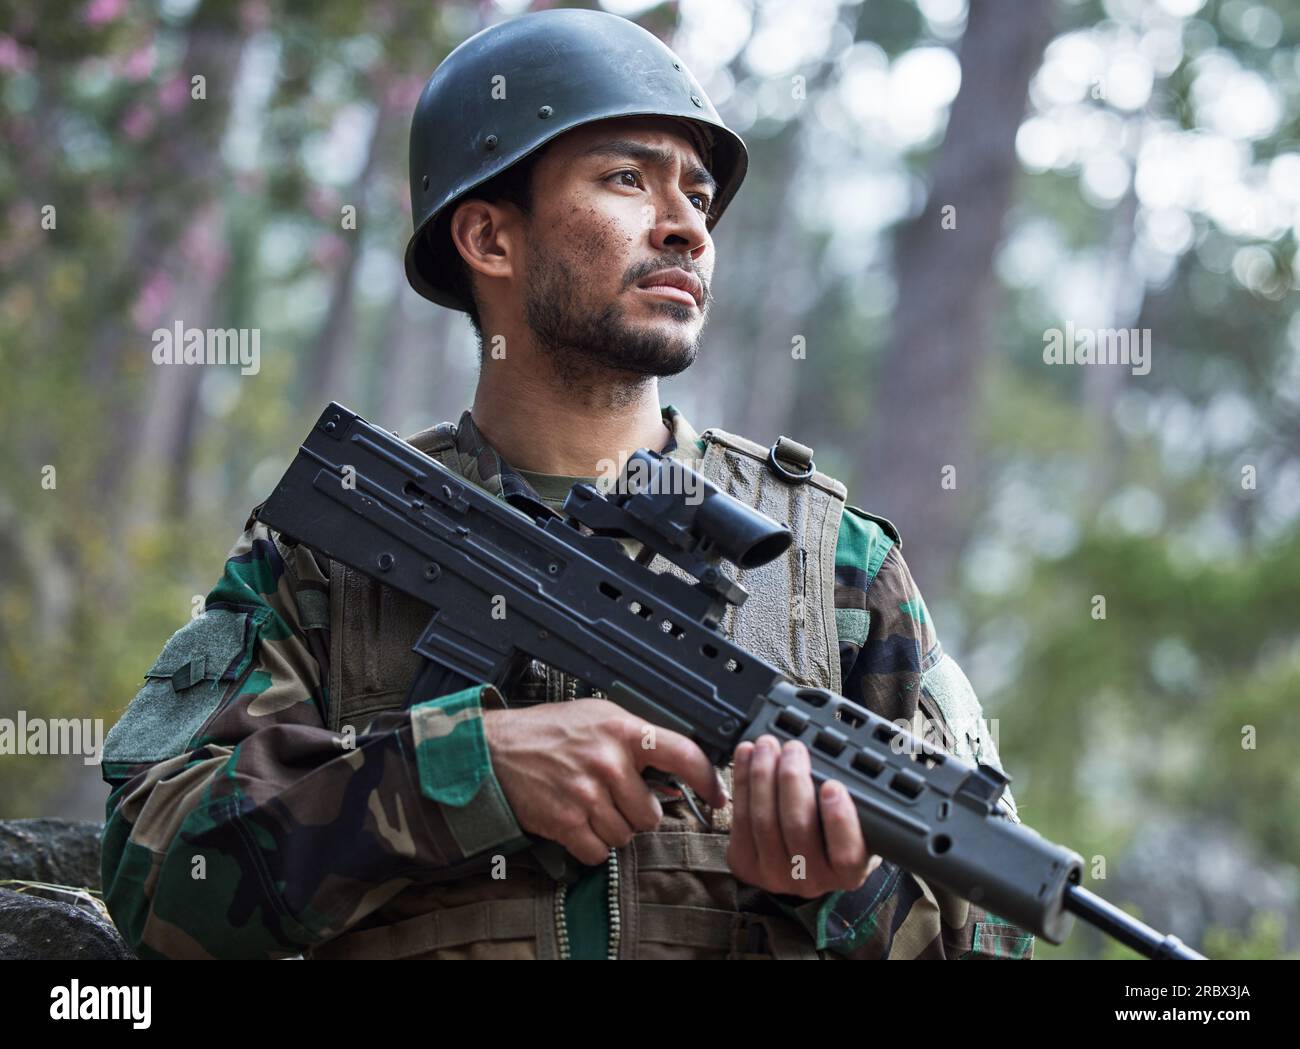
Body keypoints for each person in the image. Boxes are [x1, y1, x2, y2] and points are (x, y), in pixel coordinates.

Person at [101, 8, 1030, 960]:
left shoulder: (832, 567)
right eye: (629, 179)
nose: (687, 228)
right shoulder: (338, 546)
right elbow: (151, 871)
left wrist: (847, 894)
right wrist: (457, 777)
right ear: (489, 239)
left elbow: (993, 938)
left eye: (700, 197)